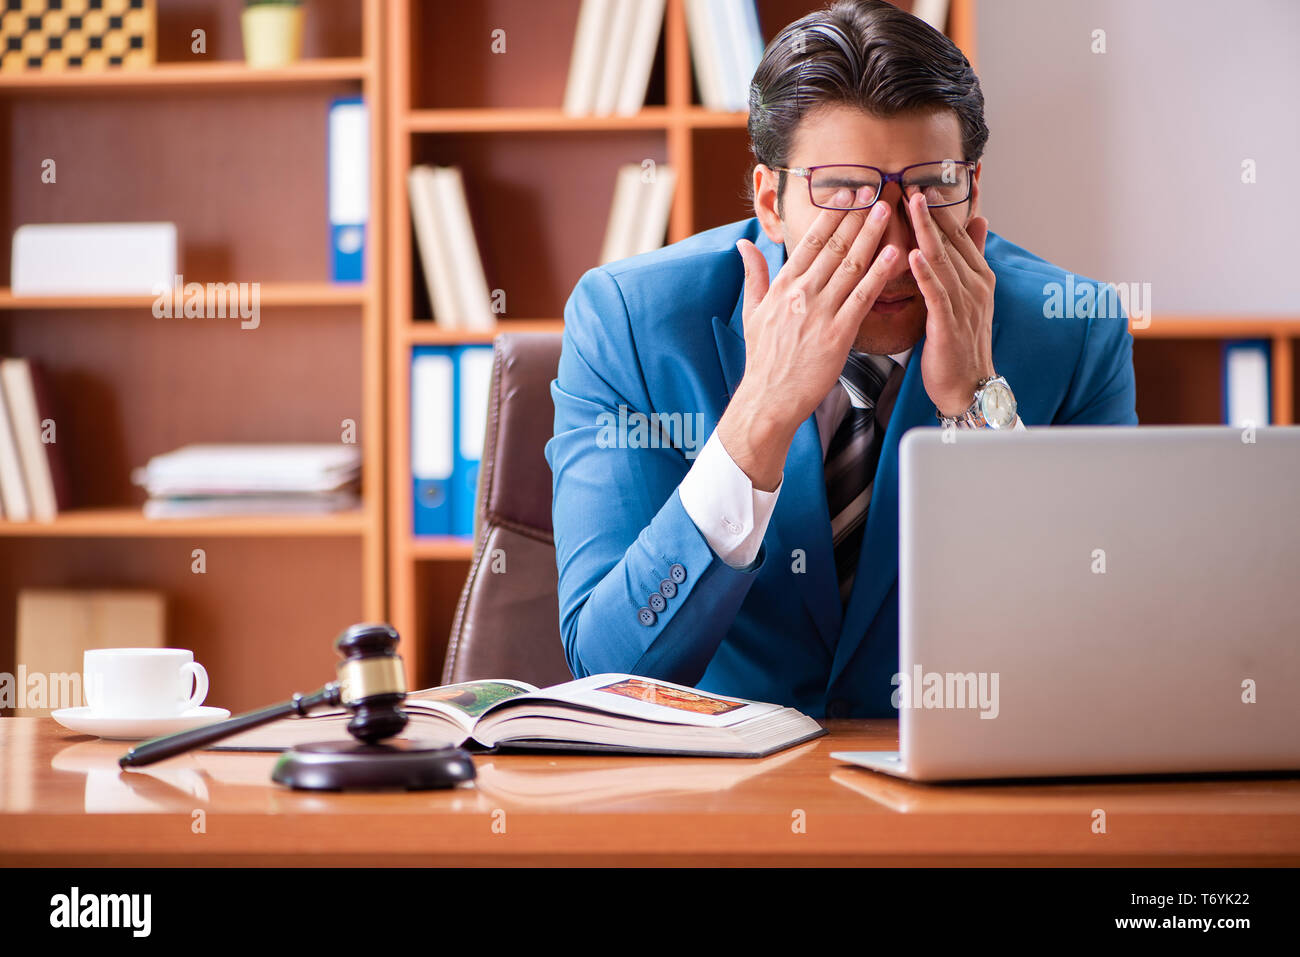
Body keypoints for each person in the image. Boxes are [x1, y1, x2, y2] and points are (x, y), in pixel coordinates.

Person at [544, 0, 1137, 718]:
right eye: (844, 192)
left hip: (960, 790)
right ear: (772, 200)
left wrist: (981, 407)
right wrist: (760, 415)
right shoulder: (630, 323)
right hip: (714, 799)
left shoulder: (1074, 333)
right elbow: (608, 665)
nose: (890, 247)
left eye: (928, 188)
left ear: (974, 188)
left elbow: (1096, 651)